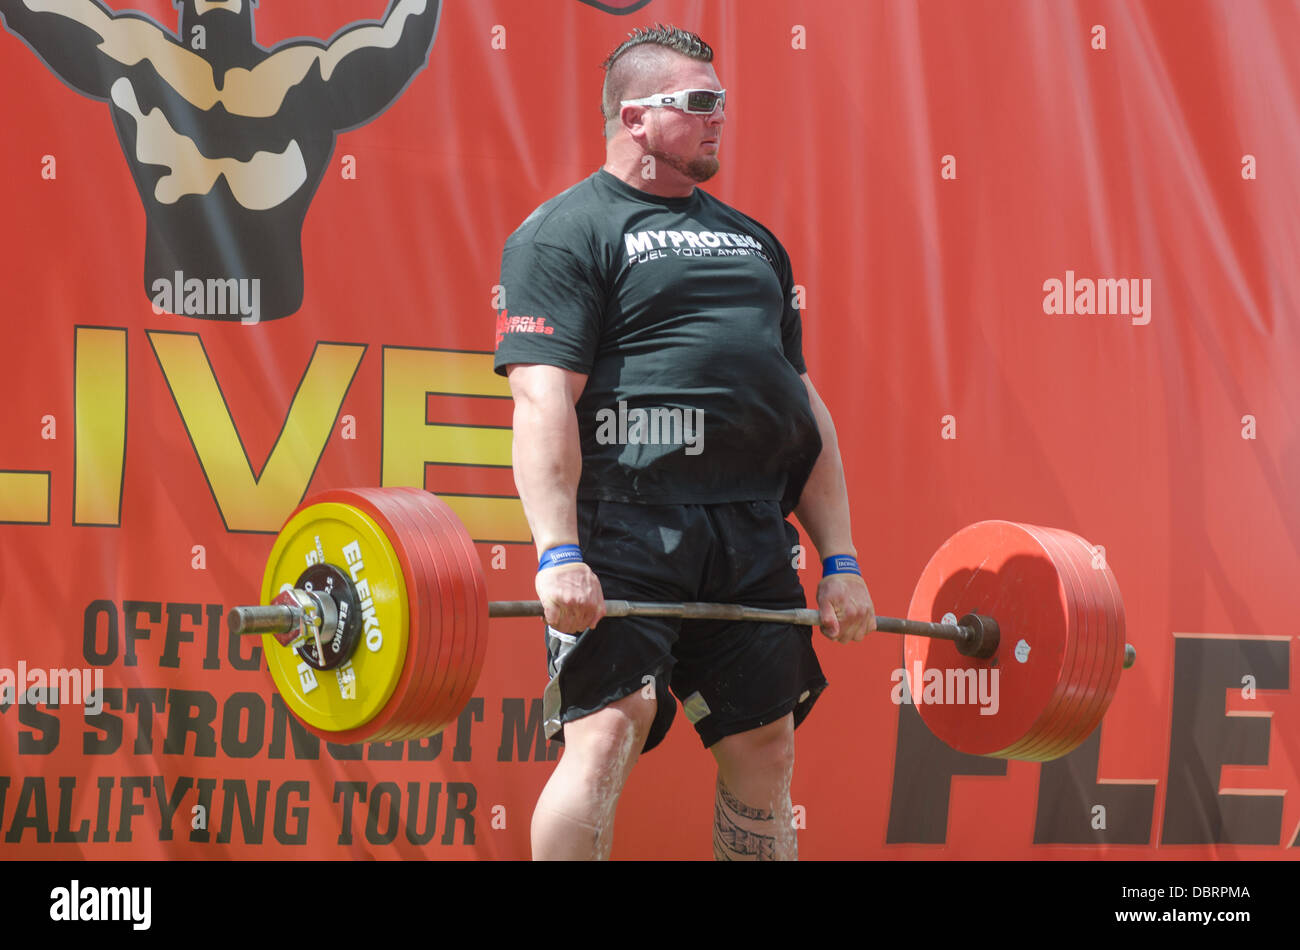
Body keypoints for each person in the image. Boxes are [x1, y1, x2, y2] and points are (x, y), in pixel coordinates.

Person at [493, 24, 875, 861]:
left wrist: (840, 558)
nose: (718, 119)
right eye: (699, 104)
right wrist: (558, 552)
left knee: (766, 747)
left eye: (723, 103)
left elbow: (799, 405)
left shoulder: (753, 240)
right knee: (605, 735)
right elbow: (541, 397)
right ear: (633, 118)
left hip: (746, 527)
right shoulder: (565, 232)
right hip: (625, 523)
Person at [0, 0, 441, 321]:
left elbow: (402, 42)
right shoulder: (137, 54)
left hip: (261, 310)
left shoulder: (305, 76)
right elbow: (31, 9)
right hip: (191, 308)